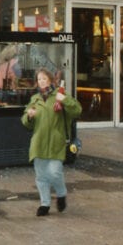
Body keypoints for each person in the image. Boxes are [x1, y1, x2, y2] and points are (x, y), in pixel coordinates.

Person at [21, 67, 81, 216]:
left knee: (54, 172)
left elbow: (77, 111)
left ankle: (61, 194)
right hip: (39, 143)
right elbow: (25, 122)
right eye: (39, 79)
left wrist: (65, 100)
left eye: (44, 79)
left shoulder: (60, 95)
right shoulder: (35, 99)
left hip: (56, 142)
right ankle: (45, 204)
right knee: (41, 176)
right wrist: (29, 116)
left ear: (51, 80)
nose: (41, 82)